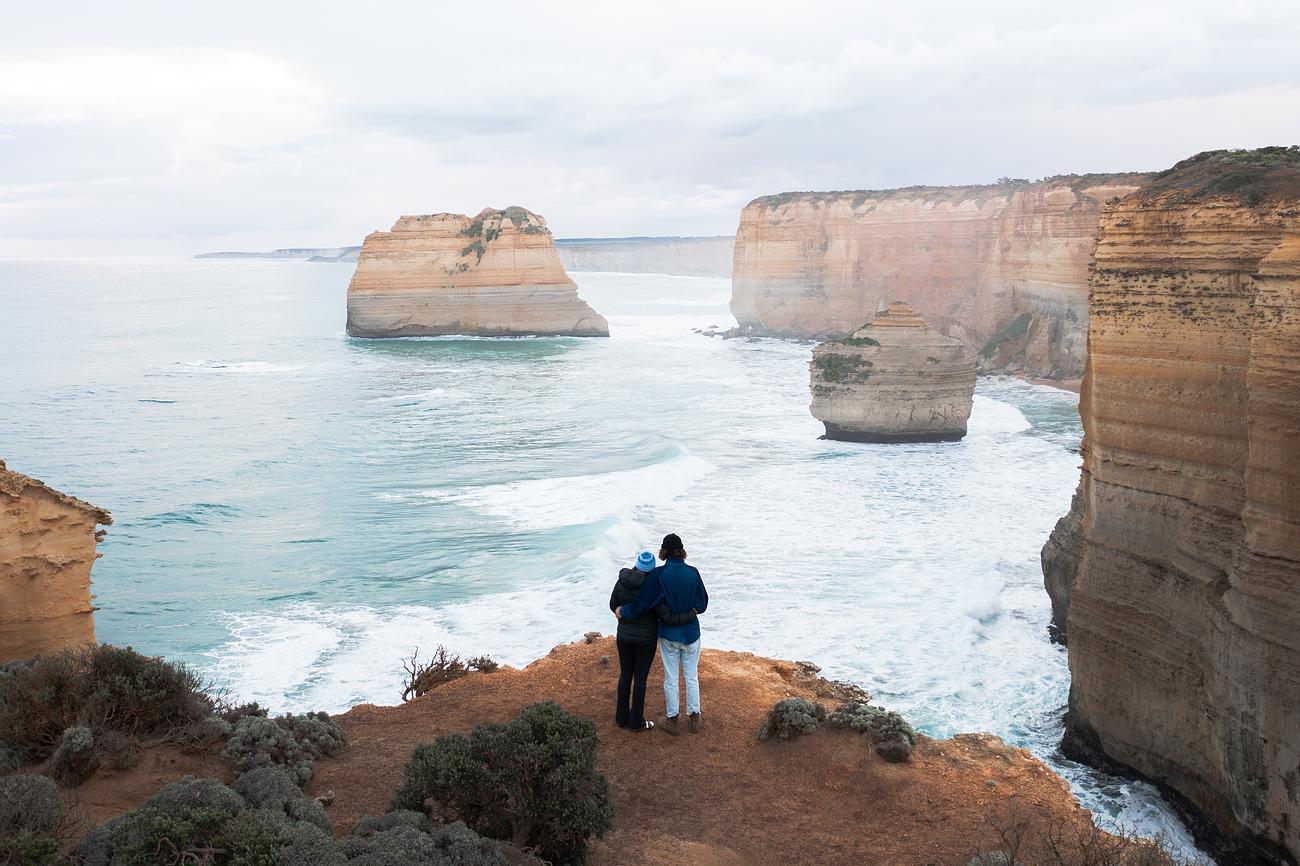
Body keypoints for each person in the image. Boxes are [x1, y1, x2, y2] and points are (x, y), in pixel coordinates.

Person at [618, 533, 709, 735]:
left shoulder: (659, 575)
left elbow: (642, 603)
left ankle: (672, 719)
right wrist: (690, 613)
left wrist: (623, 612)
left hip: (669, 635)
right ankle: (694, 718)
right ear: (682, 551)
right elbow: (702, 604)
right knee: (691, 675)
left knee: (671, 677)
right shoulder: (693, 572)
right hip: (692, 633)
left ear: (664, 552)